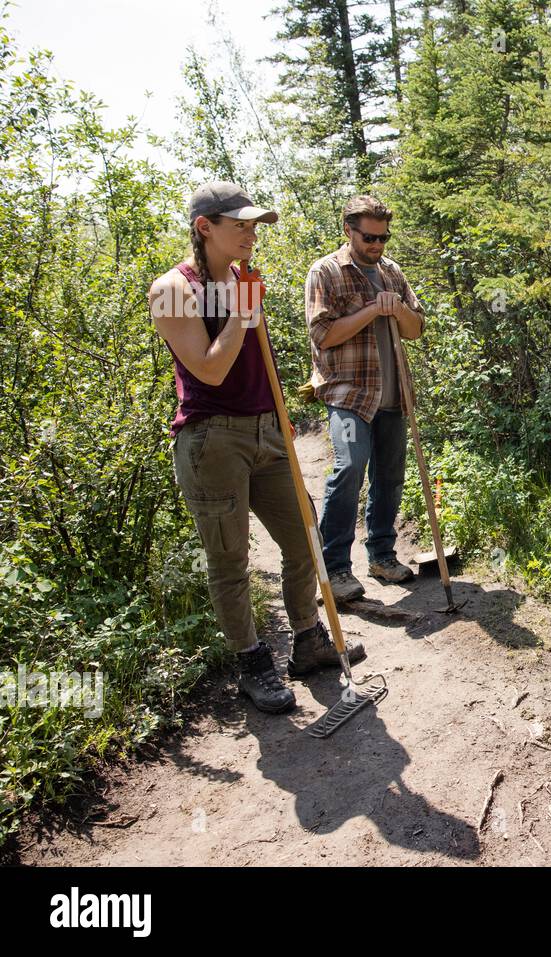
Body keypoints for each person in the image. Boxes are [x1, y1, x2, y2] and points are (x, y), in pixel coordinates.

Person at [148, 182, 364, 715]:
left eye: (254, 225)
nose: (250, 234)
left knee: (304, 537)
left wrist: (280, 416)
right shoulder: (174, 288)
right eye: (239, 224)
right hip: (211, 438)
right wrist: (244, 312)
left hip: (267, 429)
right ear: (205, 227)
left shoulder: (243, 280)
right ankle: (251, 662)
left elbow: (256, 361)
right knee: (231, 559)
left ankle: (309, 640)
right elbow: (211, 368)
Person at [305, 196, 426, 602]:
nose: (377, 245)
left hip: (392, 391)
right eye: (369, 237)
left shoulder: (391, 272)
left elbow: (415, 328)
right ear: (348, 230)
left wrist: (397, 312)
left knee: (390, 477)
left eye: (383, 237)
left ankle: (382, 556)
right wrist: (373, 311)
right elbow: (322, 335)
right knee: (350, 466)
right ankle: (336, 568)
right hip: (348, 391)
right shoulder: (326, 271)